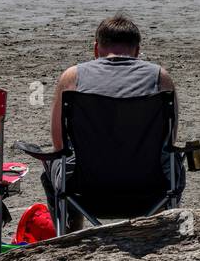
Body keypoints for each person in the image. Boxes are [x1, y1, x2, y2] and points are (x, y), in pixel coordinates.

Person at [44, 15, 176, 221]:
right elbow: (170, 140)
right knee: (174, 163)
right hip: (149, 189)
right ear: (138, 50)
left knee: (53, 166)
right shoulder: (160, 77)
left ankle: (70, 237)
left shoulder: (72, 77)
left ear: (96, 49)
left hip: (84, 190)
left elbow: (59, 143)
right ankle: (156, 233)